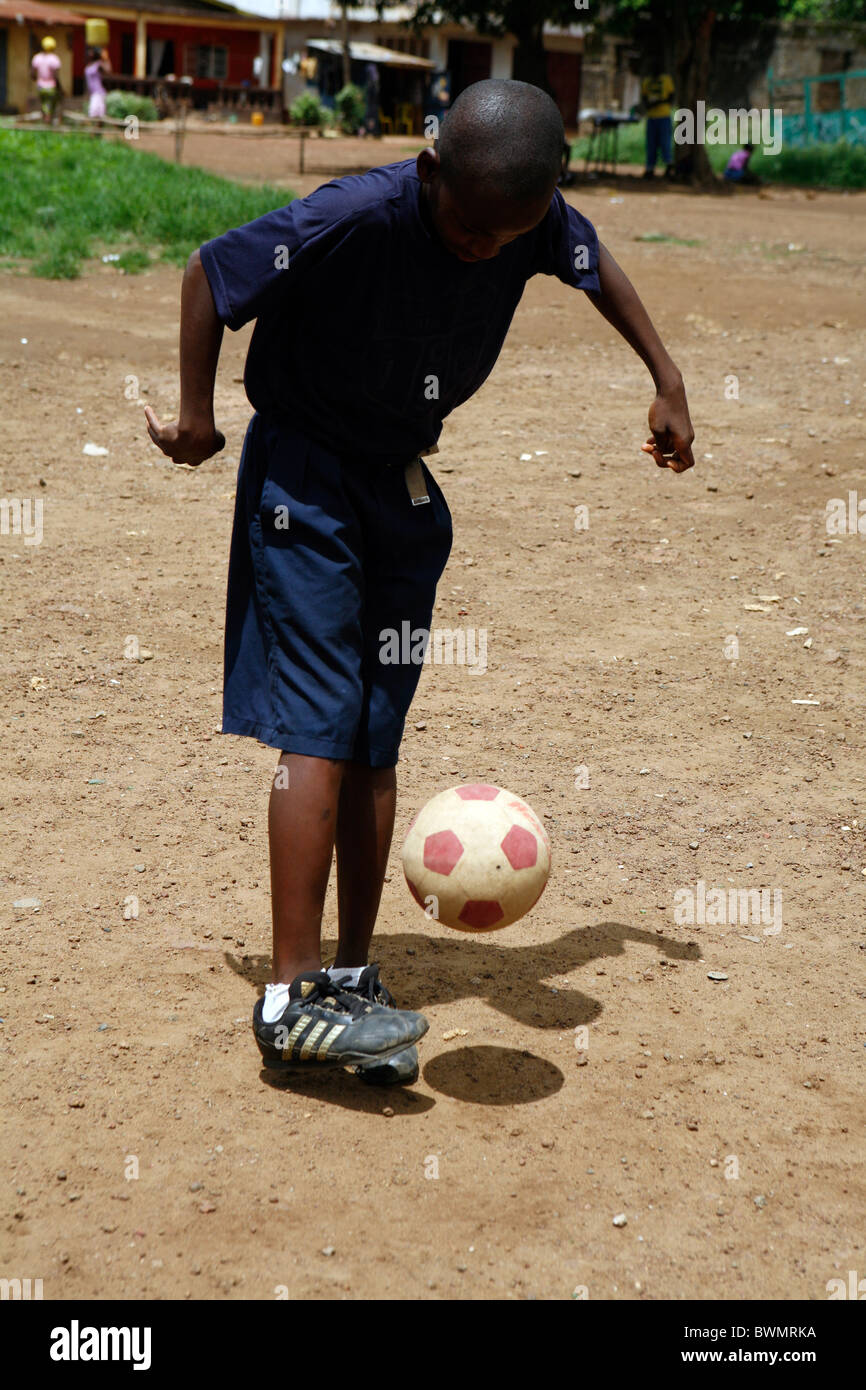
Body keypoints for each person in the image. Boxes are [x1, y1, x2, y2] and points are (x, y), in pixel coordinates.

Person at [145, 79, 695, 1086]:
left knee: (372, 728)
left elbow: (588, 261)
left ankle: (352, 974)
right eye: (471, 228)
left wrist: (663, 376)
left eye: (508, 235)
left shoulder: (520, 213)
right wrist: (194, 416)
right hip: (303, 481)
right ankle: (288, 996)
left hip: (396, 482)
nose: (485, 249)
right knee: (317, 720)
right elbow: (207, 276)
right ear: (430, 167)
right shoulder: (351, 216)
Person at [641, 62, 675, 179]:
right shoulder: (646, 81)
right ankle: (650, 169)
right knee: (651, 145)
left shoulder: (666, 80)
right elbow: (644, 98)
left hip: (664, 116)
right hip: (651, 117)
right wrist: (649, 105)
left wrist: (659, 103)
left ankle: (669, 167)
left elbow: (671, 97)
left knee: (665, 143)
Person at [32, 35, 62, 125]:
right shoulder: (54, 59)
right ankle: (47, 124)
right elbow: (56, 76)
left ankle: (45, 124)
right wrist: (60, 87)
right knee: (50, 106)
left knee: (44, 105)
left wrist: (38, 80)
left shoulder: (37, 58)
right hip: (51, 86)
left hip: (40, 86)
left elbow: (32, 74)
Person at [84, 45, 110, 123]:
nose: (89, 54)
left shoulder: (99, 64)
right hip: (92, 92)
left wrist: (106, 58)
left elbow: (108, 70)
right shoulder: (89, 65)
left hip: (99, 92)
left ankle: (96, 133)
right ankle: (95, 133)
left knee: (96, 113)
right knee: (95, 113)